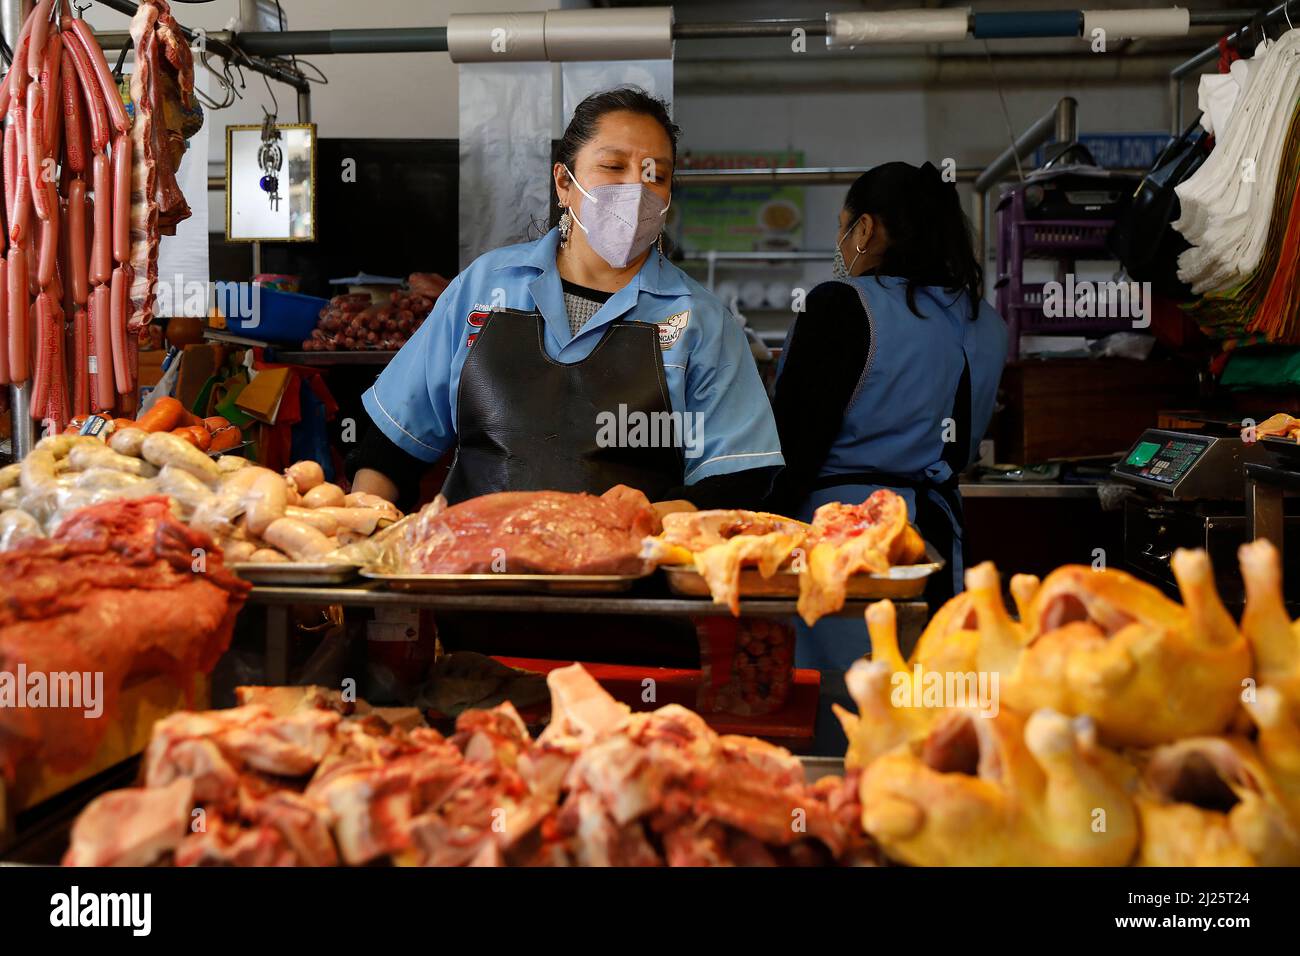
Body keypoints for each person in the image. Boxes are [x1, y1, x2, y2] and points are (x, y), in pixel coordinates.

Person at [348, 87, 782, 512]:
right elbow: (391, 448)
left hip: (628, 573)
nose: (637, 187)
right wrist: (362, 527)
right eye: (613, 166)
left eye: (656, 174)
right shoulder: (485, 286)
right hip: (476, 567)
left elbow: (736, 479)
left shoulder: (699, 319)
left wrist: (640, 524)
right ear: (564, 183)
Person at [769, 161, 1008, 680]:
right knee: (924, 703)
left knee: (847, 710)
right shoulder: (985, 320)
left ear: (867, 228)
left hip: (844, 546)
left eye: (842, 225)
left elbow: (791, 450)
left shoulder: (839, 303)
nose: (841, 240)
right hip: (937, 542)